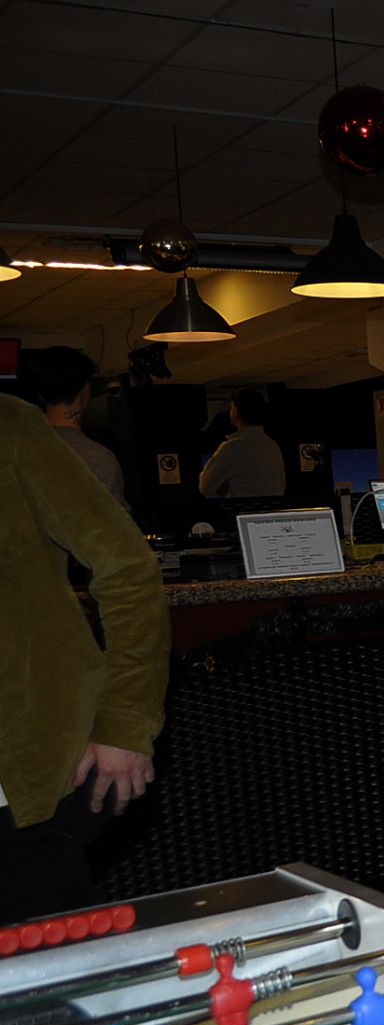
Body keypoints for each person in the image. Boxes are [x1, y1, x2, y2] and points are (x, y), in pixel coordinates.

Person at [0, 394, 170, 921]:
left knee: (43, 986)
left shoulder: (9, 427)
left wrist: (123, 721)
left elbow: (127, 568)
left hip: (20, 786)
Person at [21, 345, 125, 508]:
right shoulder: (98, 459)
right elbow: (114, 528)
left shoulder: (17, 452)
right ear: (85, 390)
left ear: (41, 394)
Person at [198, 388, 284, 498]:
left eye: (232, 407)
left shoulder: (231, 448)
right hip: (271, 511)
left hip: (241, 510)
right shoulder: (272, 446)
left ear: (236, 412)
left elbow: (205, 487)